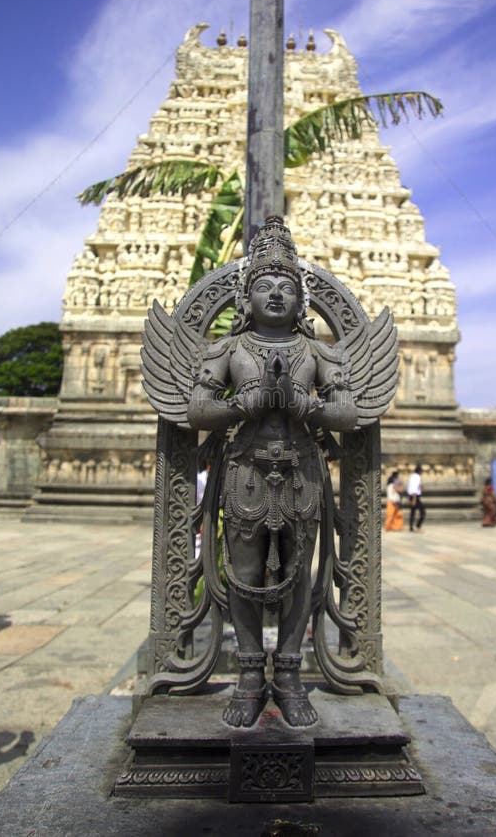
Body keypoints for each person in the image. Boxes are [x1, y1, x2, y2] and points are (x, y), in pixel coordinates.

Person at [182, 216, 396, 728]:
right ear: (245, 298)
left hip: (302, 471)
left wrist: (306, 406)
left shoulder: (316, 352)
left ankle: (290, 673)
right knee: (244, 574)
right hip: (246, 472)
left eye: (286, 286)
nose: (276, 294)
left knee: (300, 573)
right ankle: (249, 676)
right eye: (264, 285)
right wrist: (245, 404)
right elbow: (196, 410)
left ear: (301, 301)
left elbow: (349, 413)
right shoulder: (229, 350)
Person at [407, 463, 425, 531]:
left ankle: (411, 527)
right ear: (420, 471)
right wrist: (414, 499)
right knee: (423, 512)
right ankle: (418, 526)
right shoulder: (417, 477)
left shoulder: (412, 476)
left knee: (413, 511)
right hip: (415, 496)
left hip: (412, 496)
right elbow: (414, 488)